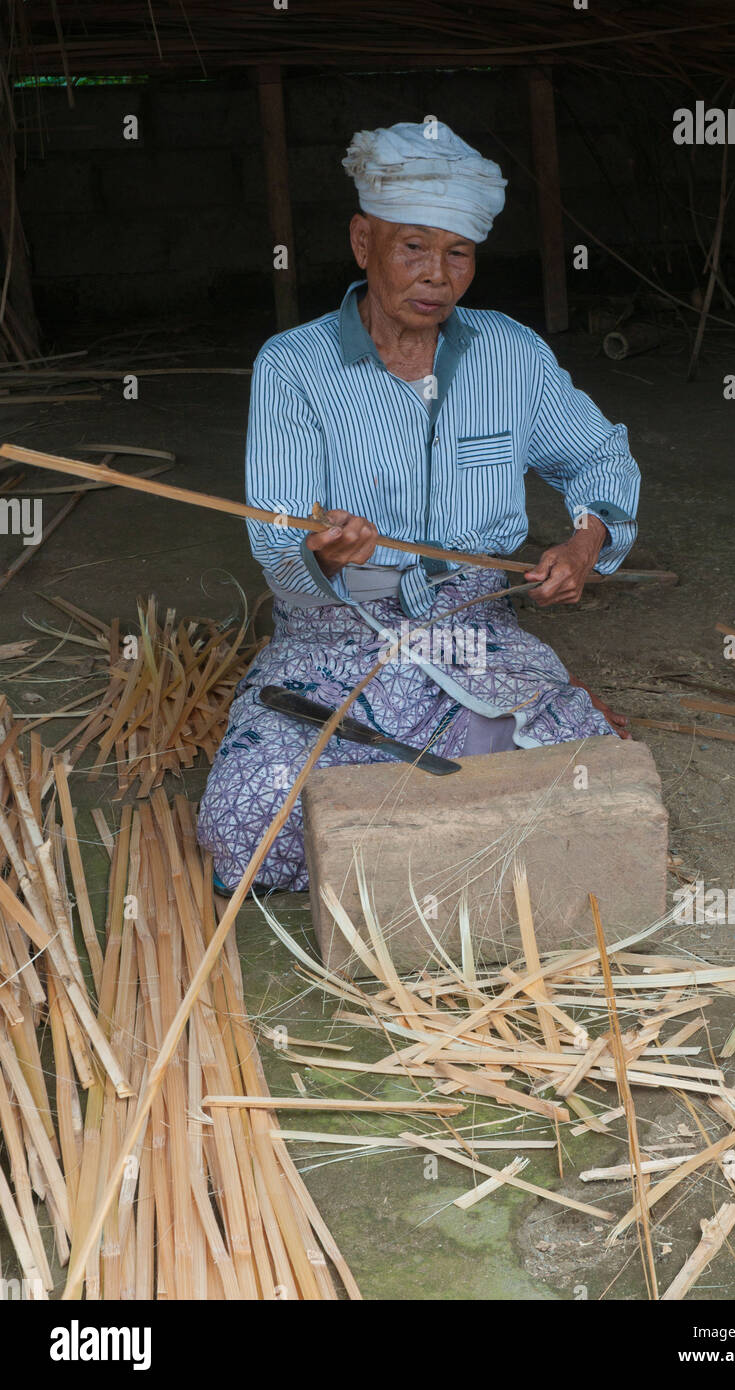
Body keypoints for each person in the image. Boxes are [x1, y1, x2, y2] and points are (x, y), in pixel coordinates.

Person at [198, 121, 640, 892]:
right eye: (412, 248)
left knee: (591, 788)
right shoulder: (294, 366)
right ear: (362, 240)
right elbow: (276, 529)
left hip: (474, 628)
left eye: (458, 252)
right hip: (335, 637)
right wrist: (324, 551)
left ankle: (458, 787)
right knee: (248, 827)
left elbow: (597, 456)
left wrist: (582, 544)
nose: (437, 275)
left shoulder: (511, 353)